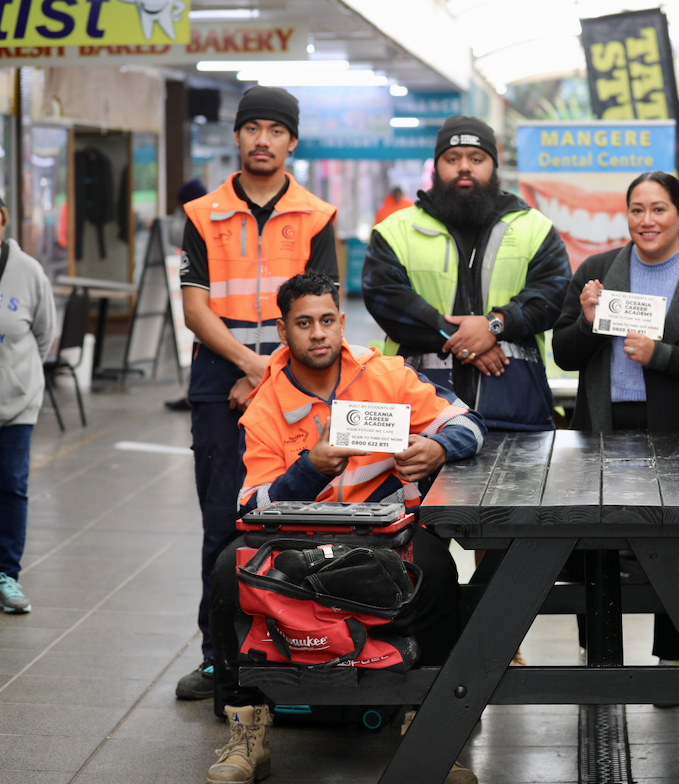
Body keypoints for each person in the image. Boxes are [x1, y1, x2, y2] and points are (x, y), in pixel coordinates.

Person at [207, 271, 485, 784]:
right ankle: (248, 732)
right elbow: (250, 507)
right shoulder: (265, 405)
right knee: (227, 570)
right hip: (295, 545)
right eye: (304, 323)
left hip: (384, 539)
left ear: (341, 322)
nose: (318, 334)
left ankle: (428, 728)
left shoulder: (387, 377)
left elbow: (468, 421)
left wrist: (439, 447)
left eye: (328, 321)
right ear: (284, 330)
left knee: (437, 569)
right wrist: (309, 469)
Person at [176, 86, 340, 701]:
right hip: (222, 381)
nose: (263, 139)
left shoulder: (318, 215)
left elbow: (321, 310)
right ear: (237, 137)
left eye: (276, 129)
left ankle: (297, 645)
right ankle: (219, 656)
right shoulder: (202, 214)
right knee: (222, 521)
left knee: (294, 514)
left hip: (297, 378)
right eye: (253, 128)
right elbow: (196, 310)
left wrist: (268, 377)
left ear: (292, 141)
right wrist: (250, 364)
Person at [552, 170, 679, 665]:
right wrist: (588, 322)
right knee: (594, 543)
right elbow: (565, 354)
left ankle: (672, 655)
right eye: (637, 210)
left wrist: (662, 356)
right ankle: (597, 654)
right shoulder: (598, 271)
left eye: (659, 209)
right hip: (604, 431)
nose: (647, 220)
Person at [363, 115, 570, 431]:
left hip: (516, 410)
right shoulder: (396, 230)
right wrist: (463, 338)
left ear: (493, 166)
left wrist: (493, 325)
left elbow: (553, 294)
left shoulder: (534, 228)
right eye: (452, 158)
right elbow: (386, 298)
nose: (464, 167)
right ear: (436, 166)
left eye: (477, 158)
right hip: (420, 413)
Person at [0, 184, 56, 615]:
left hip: (15, 403)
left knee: (11, 488)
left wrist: (15, 378)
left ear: (4, 218)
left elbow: (44, 335)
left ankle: (7, 575)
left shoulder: (27, 270)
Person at [165, 177, 209, 413]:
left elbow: (174, 235)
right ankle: (191, 391)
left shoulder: (196, 220)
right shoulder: (205, 216)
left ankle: (191, 392)